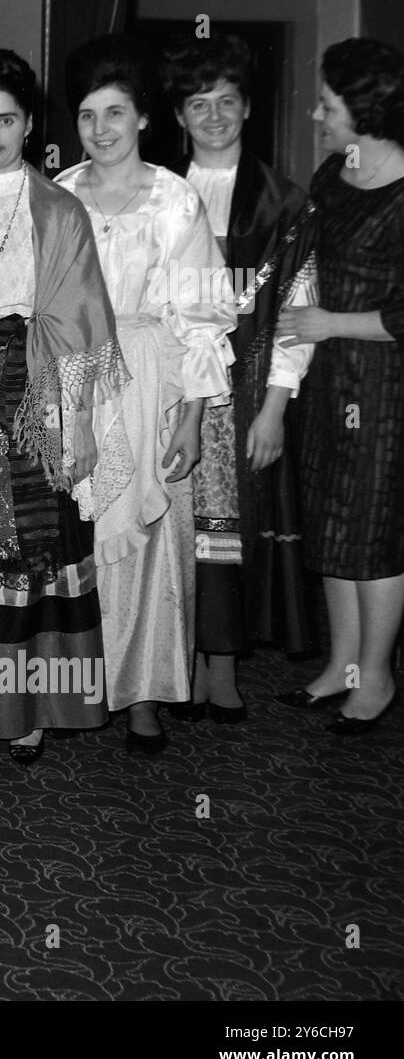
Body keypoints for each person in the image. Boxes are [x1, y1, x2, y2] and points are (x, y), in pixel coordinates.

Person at [0, 47, 127, 764]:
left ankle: (36, 705)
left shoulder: (59, 209)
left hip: (30, 384)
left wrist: (69, 423)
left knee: (34, 545)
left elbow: (78, 327)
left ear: (29, 123)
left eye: (5, 120)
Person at [55, 35, 237, 754]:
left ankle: (147, 695)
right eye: (88, 115)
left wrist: (191, 419)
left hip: (156, 382)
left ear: (142, 120)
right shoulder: (61, 195)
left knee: (156, 544)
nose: (101, 130)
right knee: (84, 538)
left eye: (115, 113)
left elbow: (200, 319)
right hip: (76, 380)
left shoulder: (174, 199)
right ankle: (85, 684)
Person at [162, 35, 317, 724]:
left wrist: (275, 409)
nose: (214, 116)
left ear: (248, 108)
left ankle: (219, 670)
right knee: (168, 530)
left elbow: (298, 311)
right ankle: (171, 665)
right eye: (199, 103)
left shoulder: (284, 202)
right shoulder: (156, 192)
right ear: (178, 116)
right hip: (166, 388)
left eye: (227, 101)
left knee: (220, 533)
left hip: (245, 394)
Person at [276, 37, 404, 734]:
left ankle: (378, 677)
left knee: (374, 533)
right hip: (325, 379)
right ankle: (343, 663)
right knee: (332, 522)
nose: (315, 112)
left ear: (364, 109)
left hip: (385, 389)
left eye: (326, 103)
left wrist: (329, 321)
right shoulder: (333, 174)